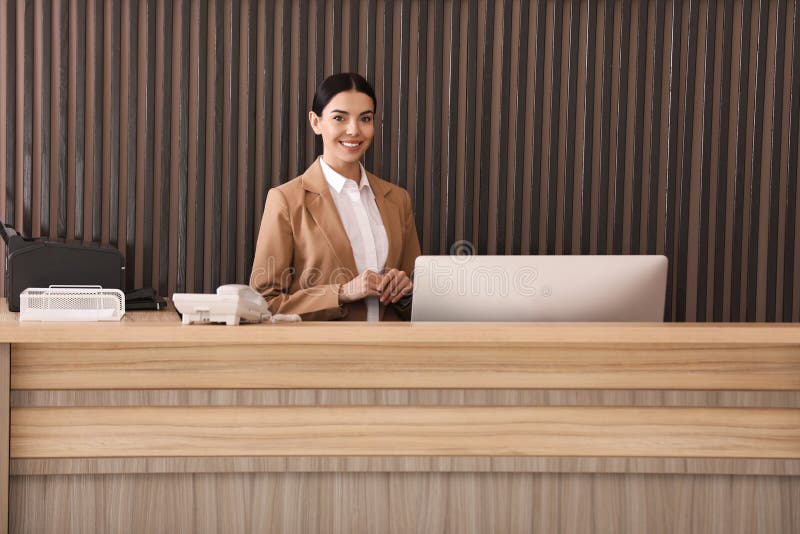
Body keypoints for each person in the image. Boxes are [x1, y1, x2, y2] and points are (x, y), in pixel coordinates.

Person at [250, 73, 421, 321]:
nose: (354, 130)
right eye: (339, 118)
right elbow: (262, 303)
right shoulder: (286, 200)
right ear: (315, 122)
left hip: (392, 353)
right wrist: (340, 293)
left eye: (365, 118)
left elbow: (419, 299)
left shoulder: (397, 199)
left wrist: (406, 291)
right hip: (326, 355)